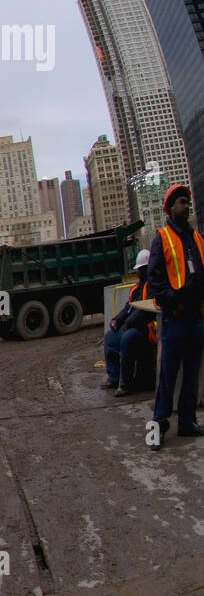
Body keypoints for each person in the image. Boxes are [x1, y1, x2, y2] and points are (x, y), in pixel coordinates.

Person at [145, 185, 204, 450]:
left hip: (196, 317)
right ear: (170, 208)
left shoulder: (198, 239)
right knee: (168, 375)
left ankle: (188, 421)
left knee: (191, 371)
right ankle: (158, 425)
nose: (186, 207)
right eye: (182, 202)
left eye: (188, 203)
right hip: (176, 318)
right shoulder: (162, 237)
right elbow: (154, 278)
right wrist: (173, 305)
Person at [104, 249, 157, 396]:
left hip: (147, 329)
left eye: (142, 269)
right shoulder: (136, 288)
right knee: (111, 337)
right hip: (133, 326)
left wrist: (128, 324)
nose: (140, 272)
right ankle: (114, 377)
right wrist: (116, 320)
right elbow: (128, 307)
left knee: (127, 339)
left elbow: (146, 310)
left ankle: (125, 383)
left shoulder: (154, 286)